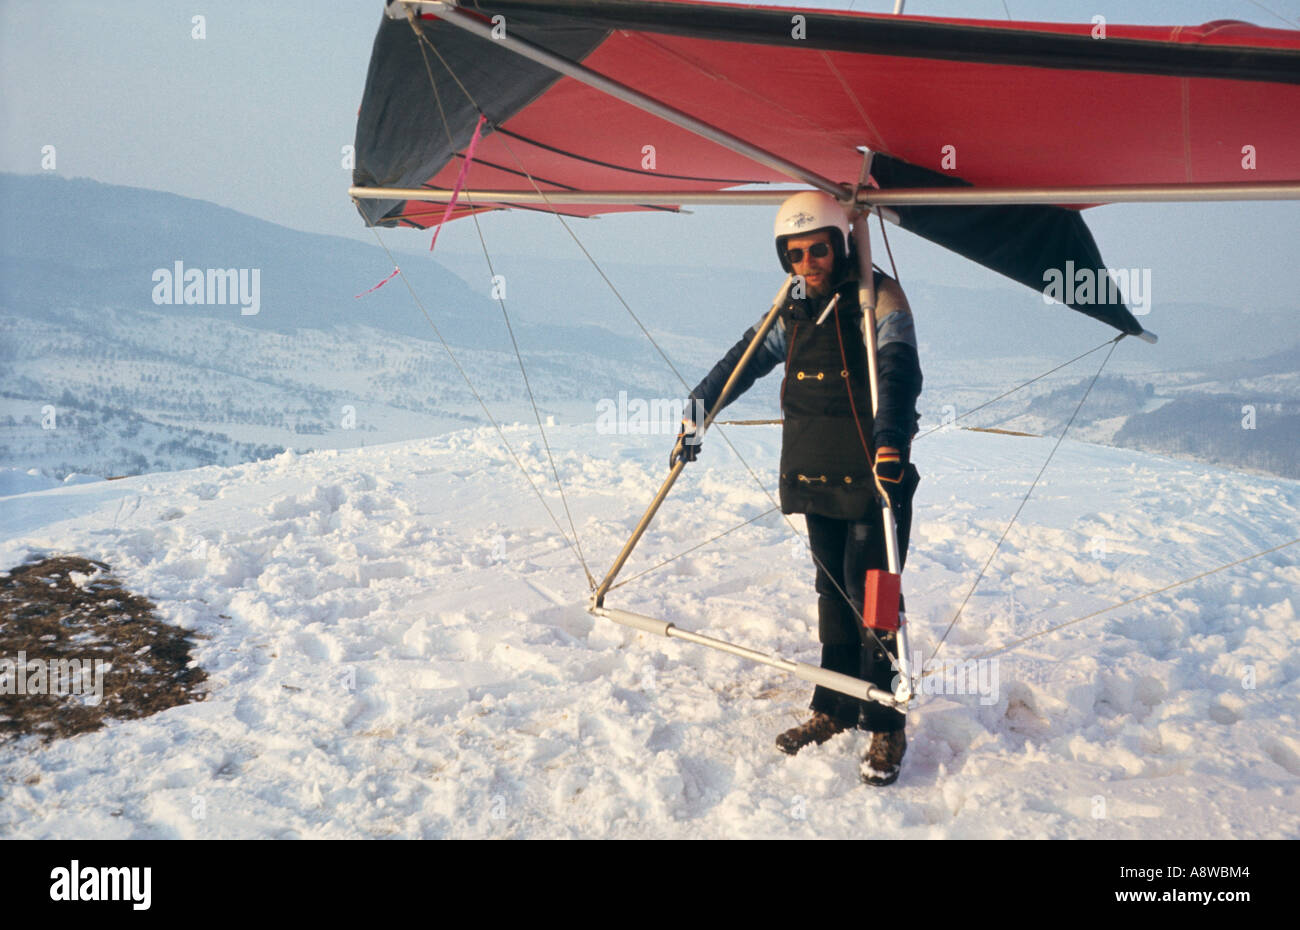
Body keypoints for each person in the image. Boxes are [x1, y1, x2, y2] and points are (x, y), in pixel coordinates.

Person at [669, 191, 922, 786]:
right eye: (795, 253)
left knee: (875, 596)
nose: (808, 262)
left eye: (818, 249)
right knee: (832, 593)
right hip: (814, 472)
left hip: (872, 476)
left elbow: (898, 369)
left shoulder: (876, 299)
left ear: (839, 244)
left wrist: (893, 441)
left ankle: (885, 721)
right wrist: (697, 411)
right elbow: (745, 359)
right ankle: (832, 705)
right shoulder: (794, 307)